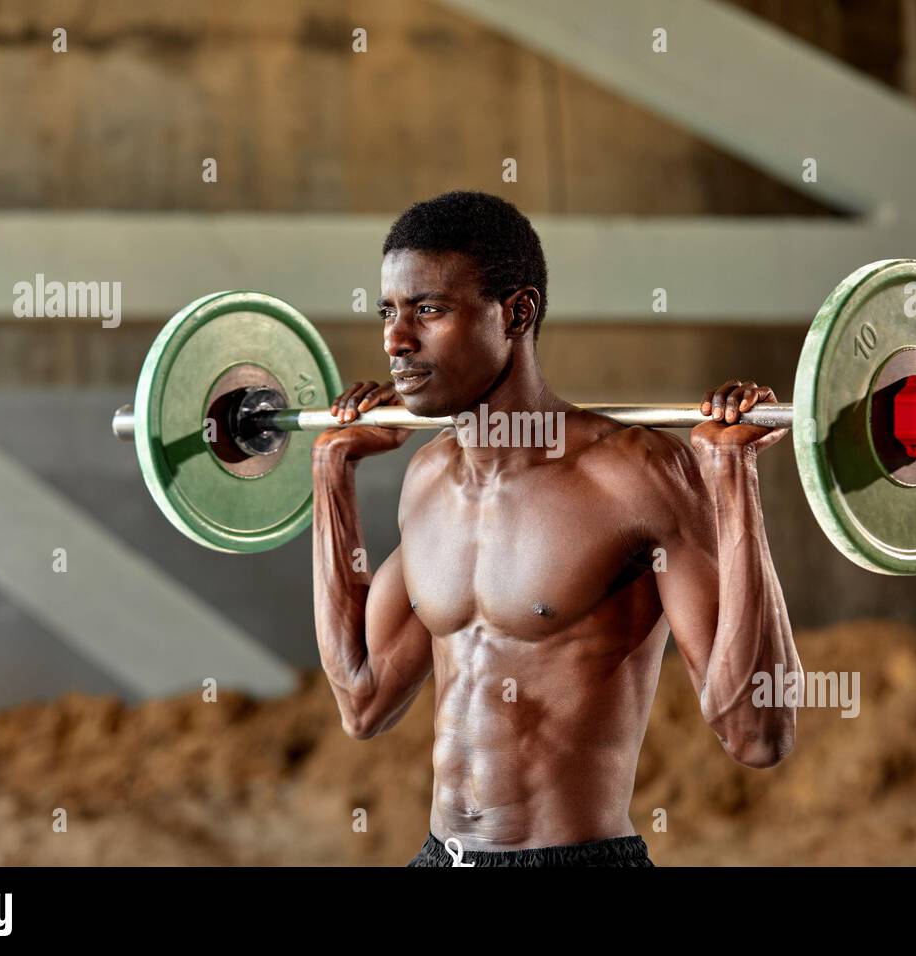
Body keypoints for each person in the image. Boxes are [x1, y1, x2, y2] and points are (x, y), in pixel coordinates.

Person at [310, 191, 800, 867]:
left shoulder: (632, 475)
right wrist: (330, 471)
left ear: (517, 313)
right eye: (388, 312)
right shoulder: (427, 480)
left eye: (428, 310)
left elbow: (757, 733)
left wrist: (732, 480)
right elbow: (363, 704)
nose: (396, 341)